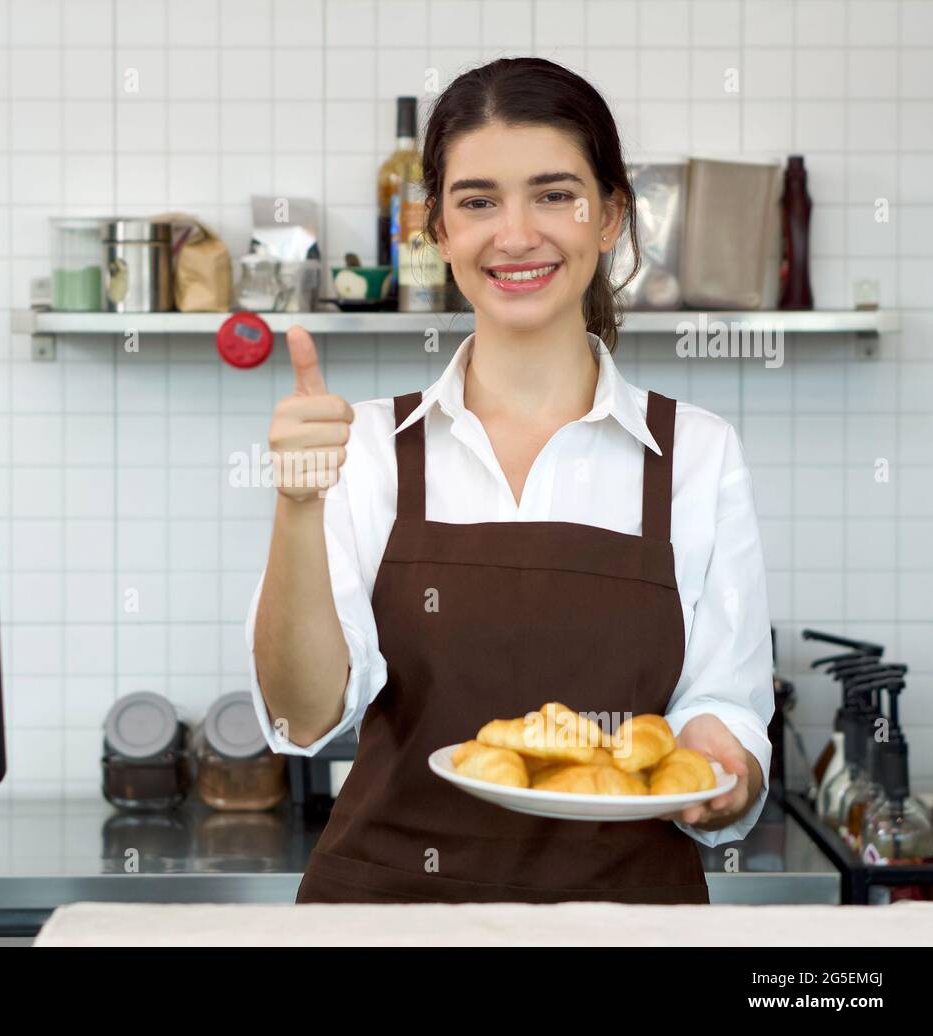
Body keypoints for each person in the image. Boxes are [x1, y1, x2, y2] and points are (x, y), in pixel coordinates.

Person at [245, 57, 774, 904]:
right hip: (388, 918)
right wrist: (298, 503)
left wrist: (722, 769)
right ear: (439, 231)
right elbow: (305, 717)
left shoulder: (698, 453)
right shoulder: (372, 446)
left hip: (627, 921)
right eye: (479, 200)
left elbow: (722, 702)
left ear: (609, 217)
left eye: (555, 194)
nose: (516, 234)